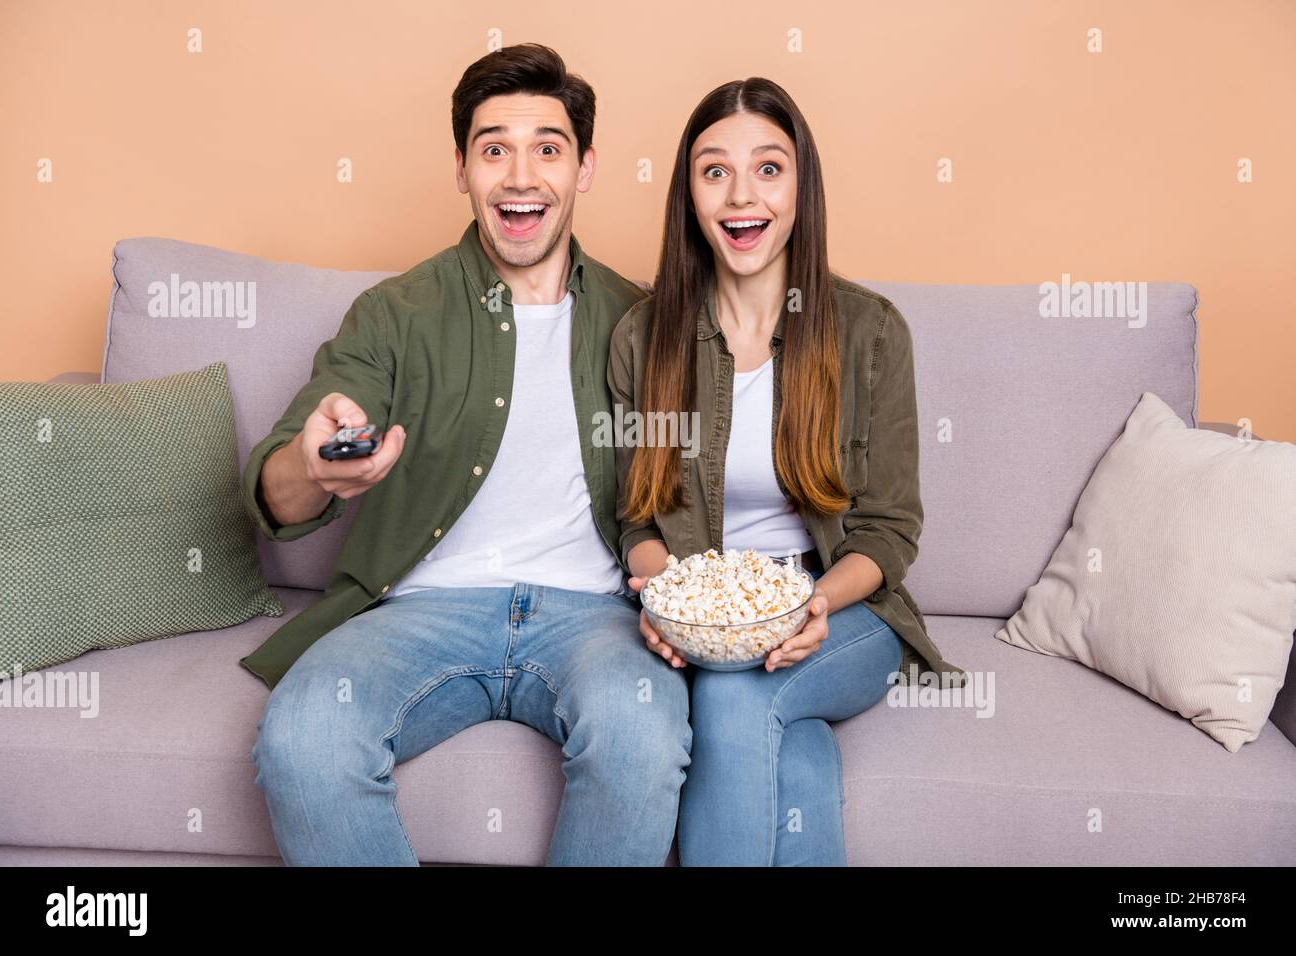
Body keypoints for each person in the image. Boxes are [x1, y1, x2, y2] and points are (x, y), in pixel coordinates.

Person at [241, 43, 691, 866]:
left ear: (585, 167)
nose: (521, 177)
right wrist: (313, 465)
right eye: (494, 149)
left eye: (547, 149)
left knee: (642, 731)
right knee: (304, 735)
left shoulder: (643, 322)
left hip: (591, 619)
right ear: (461, 169)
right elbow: (278, 485)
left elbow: (681, 494)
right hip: (416, 612)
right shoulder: (392, 313)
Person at [607, 77, 967, 866]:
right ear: (688, 194)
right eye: (714, 171)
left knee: (733, 694)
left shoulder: (868, 331)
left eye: (768, 168)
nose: (743, 196)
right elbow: (636, 518)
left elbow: (889, 530)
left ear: (802, 184)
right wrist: (668, 601)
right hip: (703, 611)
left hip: (837, 609)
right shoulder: (644, 336)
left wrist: (807, 607)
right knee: (790, 750)